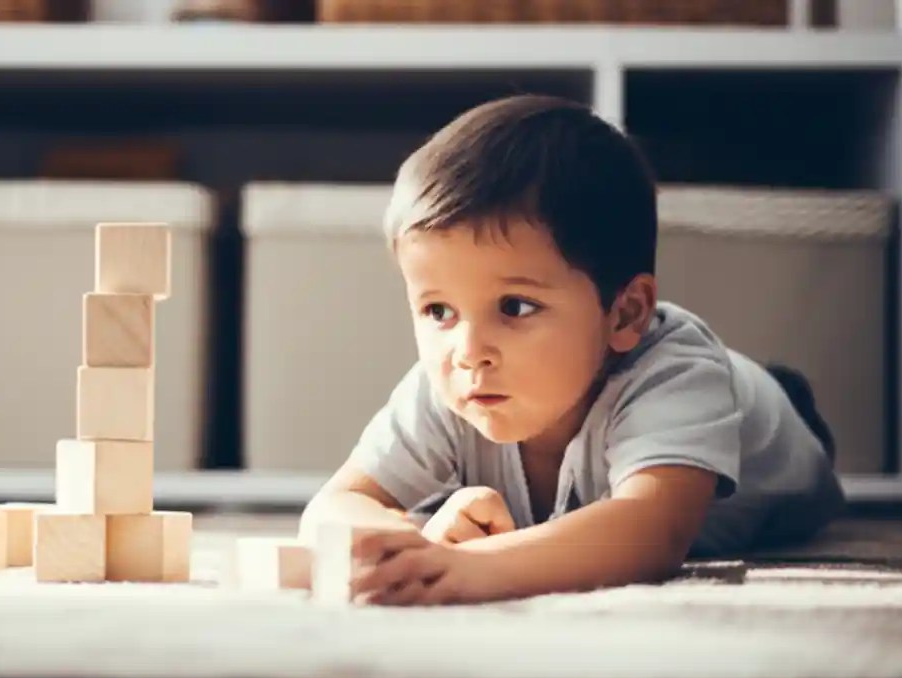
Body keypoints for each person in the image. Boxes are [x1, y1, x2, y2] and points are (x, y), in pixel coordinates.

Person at [297, 94, 845, 606]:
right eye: (438, 311)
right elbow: (331, 508)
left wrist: (470, 567)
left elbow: (652, 531)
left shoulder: (671, 370)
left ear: (626, 313)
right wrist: (404, 538)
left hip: (773, 430)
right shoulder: (448, 384)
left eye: (514, 307)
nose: (468, 351)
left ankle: (788, 393)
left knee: (744, 396)